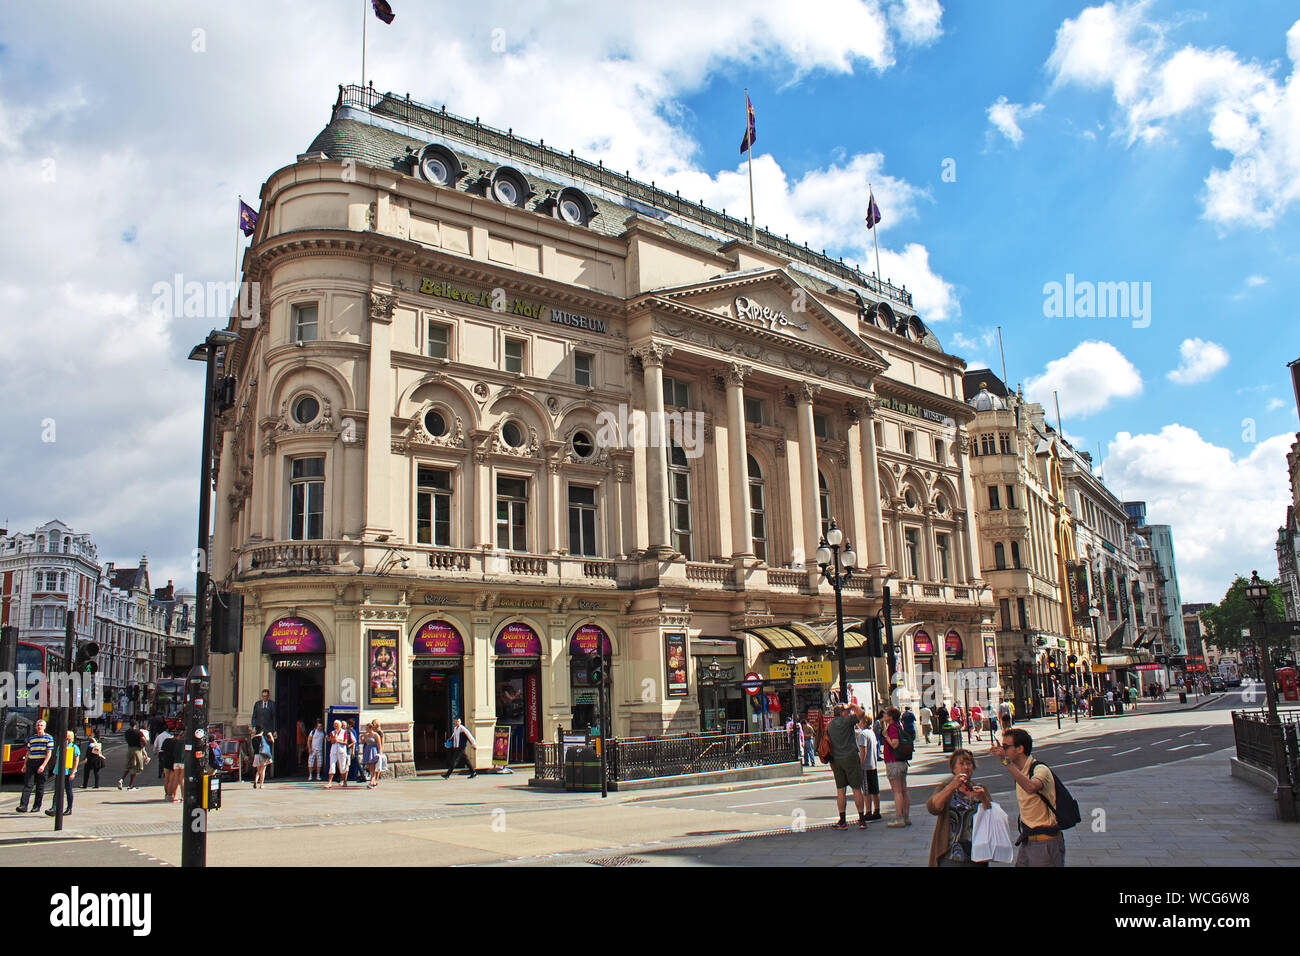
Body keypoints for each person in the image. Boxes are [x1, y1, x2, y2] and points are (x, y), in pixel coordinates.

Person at [990, 727, 1064, 867]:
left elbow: (1030, 787)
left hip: (1045, 842)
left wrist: (1006, 762)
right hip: (1029, 841)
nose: (1003, 750)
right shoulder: (1020, 771)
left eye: (1006, 746)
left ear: (1020, 749)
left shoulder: (1040, 769)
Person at [927, 748, 992, 866]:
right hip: (951, 853)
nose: (966, 767)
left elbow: (991, 814)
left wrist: (983, 798)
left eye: (969, 763)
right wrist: (952, 786)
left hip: (977, 853)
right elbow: (933, 807)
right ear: (953, 769)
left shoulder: (980, 789)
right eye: (961, 764)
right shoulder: (945, 788)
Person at [823, 704, 867, 830]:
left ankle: (842, 820)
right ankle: (862, 819)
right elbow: (861, 714)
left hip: (836, 760)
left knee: (841, 790)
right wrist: (853, 705)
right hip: (851, 757)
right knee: (856, 789)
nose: (848, 712)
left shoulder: (830, 725)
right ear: (842, 712)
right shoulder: (847, 721)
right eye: (846, 711)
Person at [15, 719, 54, 813]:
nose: (39, 727)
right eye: (38, 725)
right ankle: (23, 805)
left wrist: (43, 765)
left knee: (40, 786)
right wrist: (25, 765)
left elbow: (49, 753)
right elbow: (28, 752)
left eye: (41, 725)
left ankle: (36, 806)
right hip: (31, 762)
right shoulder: (32, 738)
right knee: (28, 784)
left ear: (44, 727)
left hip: (41, 761)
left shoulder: (49, 738)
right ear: (36, 727)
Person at [882, 707, 912, 827]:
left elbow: (895, 744)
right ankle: (906, 817)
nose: (884, 715)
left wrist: (886, 736)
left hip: (893, 762)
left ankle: (899, 818)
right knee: (904, 789)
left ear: (890, 717)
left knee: (897, 791)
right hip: (902, 761)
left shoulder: (892, 728)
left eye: (886, 714)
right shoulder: (899, 726)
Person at [45, 731, 80, 817]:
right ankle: (54, 808)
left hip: (68, 772)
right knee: (57, 790)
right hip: (59, 772)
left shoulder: (74, 747)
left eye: (67, 737)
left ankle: (69, 808)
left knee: (68, 790)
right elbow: (57, 759)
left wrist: (73, 772)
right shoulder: (60, 747)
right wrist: (55, 770)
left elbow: (76, 761)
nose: (65, 739)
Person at [856, 710, 881, 821]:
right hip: (873, 764)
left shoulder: (862, 734)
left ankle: (868, 811)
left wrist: (860, 764)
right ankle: (877, 810)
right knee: (875, 789)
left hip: (865, 766)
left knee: (866, 791)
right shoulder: (871, 733)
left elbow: (863, 751)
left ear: (863, 722)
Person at [118, 720, 148, 791]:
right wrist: (143, 745)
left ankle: (121, 779)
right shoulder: (138, 732)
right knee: (135, 767)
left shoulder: (127, 732)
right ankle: (130, 786)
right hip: (137, 750)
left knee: (129, 766)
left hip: (129, 749)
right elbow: (144, 740)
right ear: (136, 724)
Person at [325, 720, 349, 788]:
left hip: (342, 751)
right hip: (334, 750)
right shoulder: (332, 732)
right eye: (334, 724)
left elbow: (345, 742)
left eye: (337, 724)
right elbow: (332, 742)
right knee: (332, 765)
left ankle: (345, 781)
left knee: (342, 767)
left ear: (340, 725)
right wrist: (334, 737)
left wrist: (338, 740)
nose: (335, 726)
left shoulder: (344, 732)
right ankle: (329, 782)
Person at [161, 734, 184, 802]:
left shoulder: (167, 741)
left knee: (167, 779)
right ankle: (180, 796)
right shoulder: (180, 742)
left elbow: (162, 750)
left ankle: (169, 795)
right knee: (176, 780)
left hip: (167, 762)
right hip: (177, 762)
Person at [363, 721, 384, 789]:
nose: (366, 730)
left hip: (374, 750)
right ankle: (373, 780)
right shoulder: (366, 735)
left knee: (373, 766)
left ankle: (372, 780)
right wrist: (362, 737)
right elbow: (363, 742)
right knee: (369, 766)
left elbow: (379, 744)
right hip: (368, 750)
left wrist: (380, 753)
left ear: (370, 728)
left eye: (367, 728)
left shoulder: (376, 735)